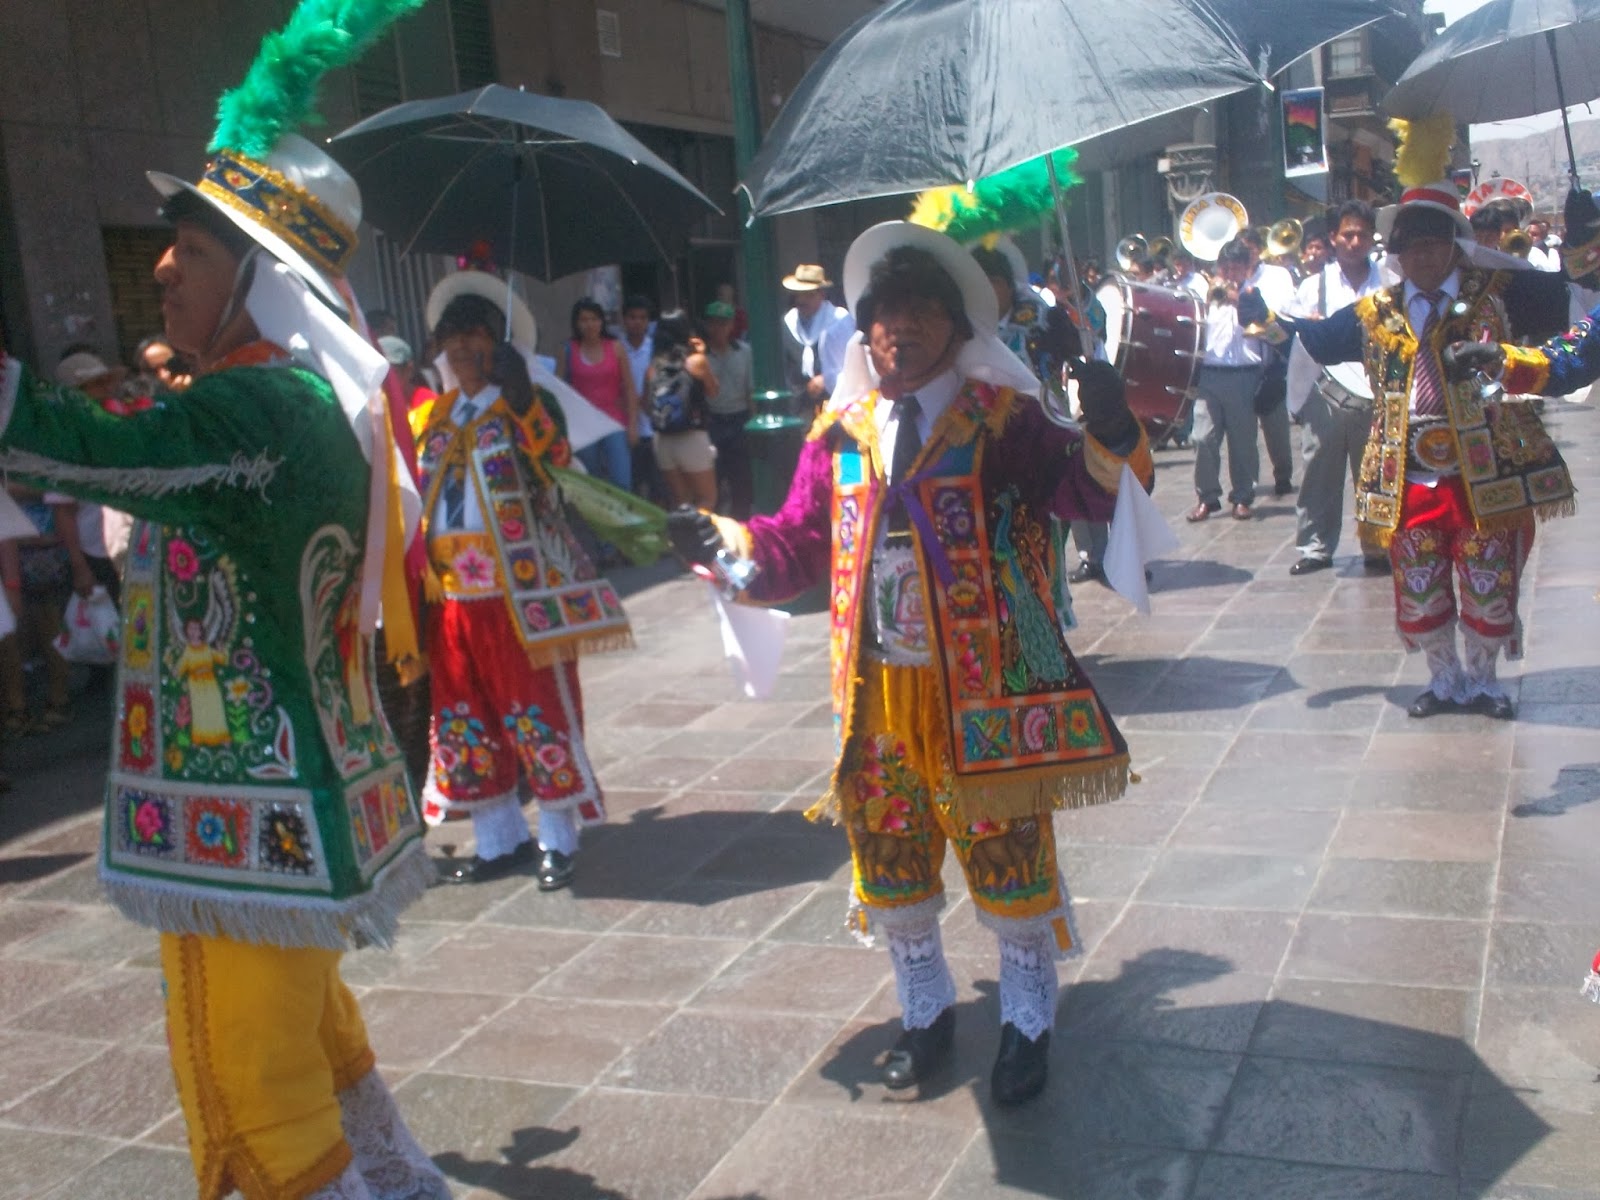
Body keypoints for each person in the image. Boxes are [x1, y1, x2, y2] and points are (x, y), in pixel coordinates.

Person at [0, 1, 447, 1190]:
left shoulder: (261, 408)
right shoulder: (298, 399)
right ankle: (398, 1179)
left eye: (191, 251)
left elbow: (60, 446)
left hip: (246, 809)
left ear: (256, 279)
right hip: (288, 799)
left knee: (246, 1083)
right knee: (309, 1032)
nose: (160, 267)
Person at [668, 221, 1140, 1107]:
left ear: (959, 329)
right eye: (882, 319)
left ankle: (1027, 1020)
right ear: (863, 333)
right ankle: (924, 1012)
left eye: (919, 314)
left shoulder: (1002, 417)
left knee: (1007, 854)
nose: (897, 332)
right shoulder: (841, 433)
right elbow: (797, 545)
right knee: (892, 853)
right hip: (879, 689)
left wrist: (1108, 429)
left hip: (986, 688)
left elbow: (1076, 490)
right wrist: (722, 542)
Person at [1269, 178, 1570, 720]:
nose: (1421, 254)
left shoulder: (1500, 292)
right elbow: (1312, 337)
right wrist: (1266, 322)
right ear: (1398, 254)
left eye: (1432, 243)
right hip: (1408, 470)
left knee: (1487, 576)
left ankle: (1483, 680)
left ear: (1455, 245)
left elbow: (1571, 299)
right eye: (1410, 245)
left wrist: (1584, 244)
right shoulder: (1375, 313)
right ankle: (1445, 679)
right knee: (1420, 579)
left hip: (1486, 467)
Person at [410, 285, 627, 890]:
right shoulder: (433, 416)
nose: (460, 349)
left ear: (498, 345)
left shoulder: (528, 408)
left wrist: (524, 395)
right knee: (466, 720)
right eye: (451, 339)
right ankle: (498, 837)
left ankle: (558, 836)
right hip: (451, 594)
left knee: (538, 713)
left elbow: (556, 463)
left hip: (517, 594)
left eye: (474, 336)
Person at [1285, 200, 1387, 575]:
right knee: (1318, 472)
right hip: (1324, 393)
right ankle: (1315, 547)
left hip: (1375, 395)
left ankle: (1378, 547)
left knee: (1375, 472)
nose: (1355, 241)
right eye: (1348, 234)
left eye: (1362, 233)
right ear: (1334, 238)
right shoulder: (1313, 286)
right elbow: (1292, 335)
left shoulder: (1388, 282)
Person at [1188, 238, 1265, 521]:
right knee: (1203, 438)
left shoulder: (1255, 294)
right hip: (1209, 374)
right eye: (1227, 268)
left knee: (1242, 441)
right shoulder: (1207, 295)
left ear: (1247, 268)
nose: (1231, 273)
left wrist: (1240, 299)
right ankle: (1207, 497)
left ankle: (1243, 496)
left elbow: (1265, 322)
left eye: (1237, 268)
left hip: (1243, 374)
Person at [1239, 226, 1298, 497]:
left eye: (1249, 249)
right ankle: (1246, 484)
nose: (1246, 255)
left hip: (1271, 359)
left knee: (1275, 428)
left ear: (1258, 249)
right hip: (1241, 363)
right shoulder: (1230, 277)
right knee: (1243, 431)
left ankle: (1283, 474)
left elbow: (1285, 311)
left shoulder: (1278, 275)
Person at [644, 309, 719, 510]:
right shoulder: (696, 362)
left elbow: (646, 405)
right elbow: (713, 391)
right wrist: (701, 355)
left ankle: (682, 542)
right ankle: (699, 542)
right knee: (706, 500)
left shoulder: (653, 368)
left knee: (681, 503)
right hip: (691, 438)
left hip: (662, 442)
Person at [559, 297, 637, 491]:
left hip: (613, 420)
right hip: (583, 424)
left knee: (622, 480)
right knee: (591, 480)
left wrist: (633, 424)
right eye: (584, 320)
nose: (589, 324)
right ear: (576, 324)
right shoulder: (569, 349)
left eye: (594, 319)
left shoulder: (616, 347)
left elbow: (629, 387)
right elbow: (561, 388)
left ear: (602, 321)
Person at [701, 298, 755, 517]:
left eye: (724, 323)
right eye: (714, 323)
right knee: (712, 480)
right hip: (712, 421)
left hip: (739, 419)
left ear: (732, 325)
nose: (719, 329)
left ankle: (741, 525)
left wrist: (752, 424)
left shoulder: (745, 352)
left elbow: (751, 391)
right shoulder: (700, 355)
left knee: (741, 481)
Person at [781, 263, 852, 406]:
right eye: (799, 295)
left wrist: (827, 379)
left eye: (808, 295)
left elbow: (853, 364)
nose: (801, 301)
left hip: (833, 403)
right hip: (797, 406)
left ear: (822, 294)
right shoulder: (787, 322)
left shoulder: (840, 321)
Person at [619, 294, 662, 503]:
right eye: (632, 317)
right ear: (624, 319)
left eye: (642, 317)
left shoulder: (655, 349)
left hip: (652, 428)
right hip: (626, 427)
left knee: (658, 488)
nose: (637, 322)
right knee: (632, 488)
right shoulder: (617, 349)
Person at [379, 334, 436, 412]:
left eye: (392, 373)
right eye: (380, 372)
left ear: (409, 370)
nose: (385, 379)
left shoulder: (429, 403)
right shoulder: (374, 408)